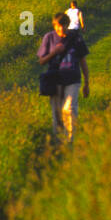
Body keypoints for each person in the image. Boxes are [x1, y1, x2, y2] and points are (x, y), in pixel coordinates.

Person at [37, 12, 90, 146]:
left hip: (73, 79)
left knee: (69, 108)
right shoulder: (49, 38)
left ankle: (70, 140)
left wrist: (87, 82)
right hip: (55, 80)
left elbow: (83, 60)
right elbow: (41, 61)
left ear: (67, 25)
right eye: (58, 27)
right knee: (57, 114)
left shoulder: (76, 38)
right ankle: (59, 142)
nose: (61, 29)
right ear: (54, 26)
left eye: (64, 26)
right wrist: (54, 52)